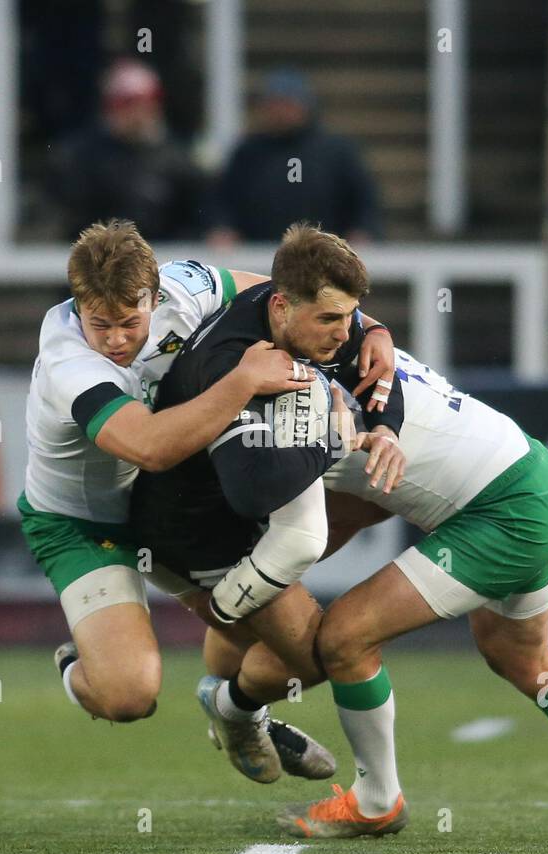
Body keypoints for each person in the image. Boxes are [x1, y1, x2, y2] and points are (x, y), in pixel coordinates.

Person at [204, 347, 548, 839]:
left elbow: (346, 511)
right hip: (535, 478)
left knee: (345, 638)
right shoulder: (361, 350)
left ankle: (375, 802)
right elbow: (363, 507)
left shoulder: (303, 405)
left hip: (504, 511)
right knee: (524, 658)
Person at [23, 220, 393, 775]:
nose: (117, 340)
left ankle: (238, 713)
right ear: (79, 307)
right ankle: (83, 667)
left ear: (156, 294)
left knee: (306, 658)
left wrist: (372, 329)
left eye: (130, 322)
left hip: (171, 505)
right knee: (129, 697)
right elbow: (149, 447)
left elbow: (281, 295)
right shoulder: (70, 363)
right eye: (100, 324)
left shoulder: (186, 285)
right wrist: (242, 381)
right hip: (84, 524)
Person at [130, 224, 406, 783]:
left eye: (351, 315)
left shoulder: (310, 317)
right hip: (192, 530)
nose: (343, 332)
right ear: (280, 307)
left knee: (370, 506)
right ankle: (238, 713)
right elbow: (253, 491)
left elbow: (376, 372)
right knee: (316, 658)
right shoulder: (235, 359)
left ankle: (235, 703)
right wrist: (334, 440)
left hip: (232, 516)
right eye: (331, 320)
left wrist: (386, 425)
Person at [207, 70, 381, 247]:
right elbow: (224, 201)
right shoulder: (247, 153)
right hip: (259, 254)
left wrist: (362, 230)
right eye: (274, 104)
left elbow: (364, 201)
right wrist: (223, 227)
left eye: (287, 104)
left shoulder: (336, 152)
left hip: (323, 257)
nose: (281, 111)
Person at [49, 61, 203, 241]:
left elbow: (198, 213)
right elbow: (67, 219)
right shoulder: (80, 158)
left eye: (148, 101)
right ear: (109, 105)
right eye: (128, 103)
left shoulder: (177, 157)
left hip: (160, 259)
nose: (139, 112)